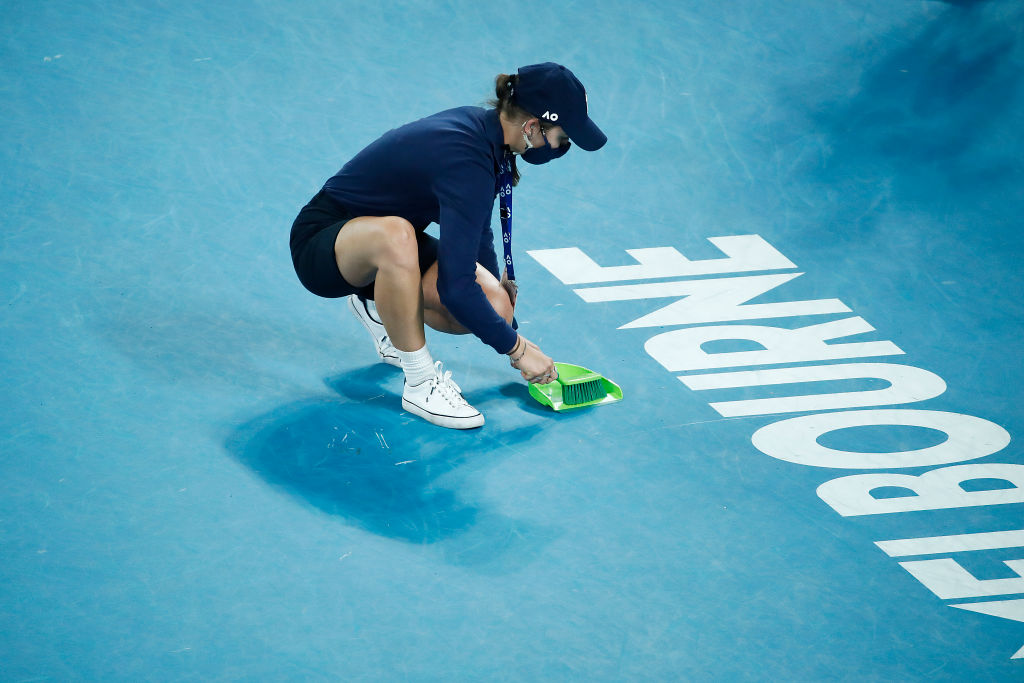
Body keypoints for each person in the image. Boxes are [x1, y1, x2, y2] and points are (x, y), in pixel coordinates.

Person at [289, 62, 606, 429]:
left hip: (376, 250)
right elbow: (455, 288)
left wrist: (509, 327)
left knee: (493, 306)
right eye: (562, 136)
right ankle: (421, 383)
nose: (561, 146)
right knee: (398, 236)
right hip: (324, 246)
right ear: (532, 126)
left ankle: (374, 303)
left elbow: (476, 235)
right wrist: (517, 351)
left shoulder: (489, 135)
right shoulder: (464, 158)